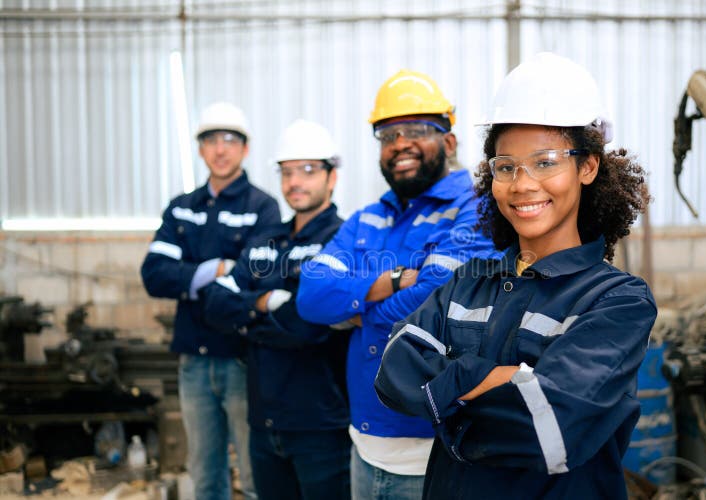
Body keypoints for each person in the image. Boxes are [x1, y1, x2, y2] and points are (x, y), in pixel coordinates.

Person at [374, 52, 657, 499]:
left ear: (587, 167)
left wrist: (446, 400)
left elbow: (549, 429)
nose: (522, 184)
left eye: (545, 162)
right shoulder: (469, 280)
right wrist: (494, 379)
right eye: (506, 166)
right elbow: (394, 371)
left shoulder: (617, 301)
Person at [295, 70, 496, 500]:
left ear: (449, 142)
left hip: (435, 452)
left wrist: (355, 310)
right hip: (364, 445)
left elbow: (437, 300)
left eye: (417, 130)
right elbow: (311, 294)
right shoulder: (368, 216)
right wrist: (394, 280)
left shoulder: (477, 206)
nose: (400, 143)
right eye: (388, 135)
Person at [201, 119, 350, 500]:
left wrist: (247, 318)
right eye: (286, 172)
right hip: (264, 424)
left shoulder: (344, 239)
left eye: (308, 170)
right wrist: (266, 303)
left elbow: (308, 326)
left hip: (321, 427)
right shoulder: (266, 241)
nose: (294, 182)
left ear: (331, 177)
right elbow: (214, 305)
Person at [141, 101, 279, 500]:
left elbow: (255, 280)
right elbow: (154, 275)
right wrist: (216, 269)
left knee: (254, 477)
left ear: (245, 148)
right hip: (194, 364)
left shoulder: (263, 208)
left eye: (230, 140)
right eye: (211, 140)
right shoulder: (182, 208)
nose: (220, 149)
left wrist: (189, 277)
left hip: (242, 361)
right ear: (201, 149)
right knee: (205, 477)